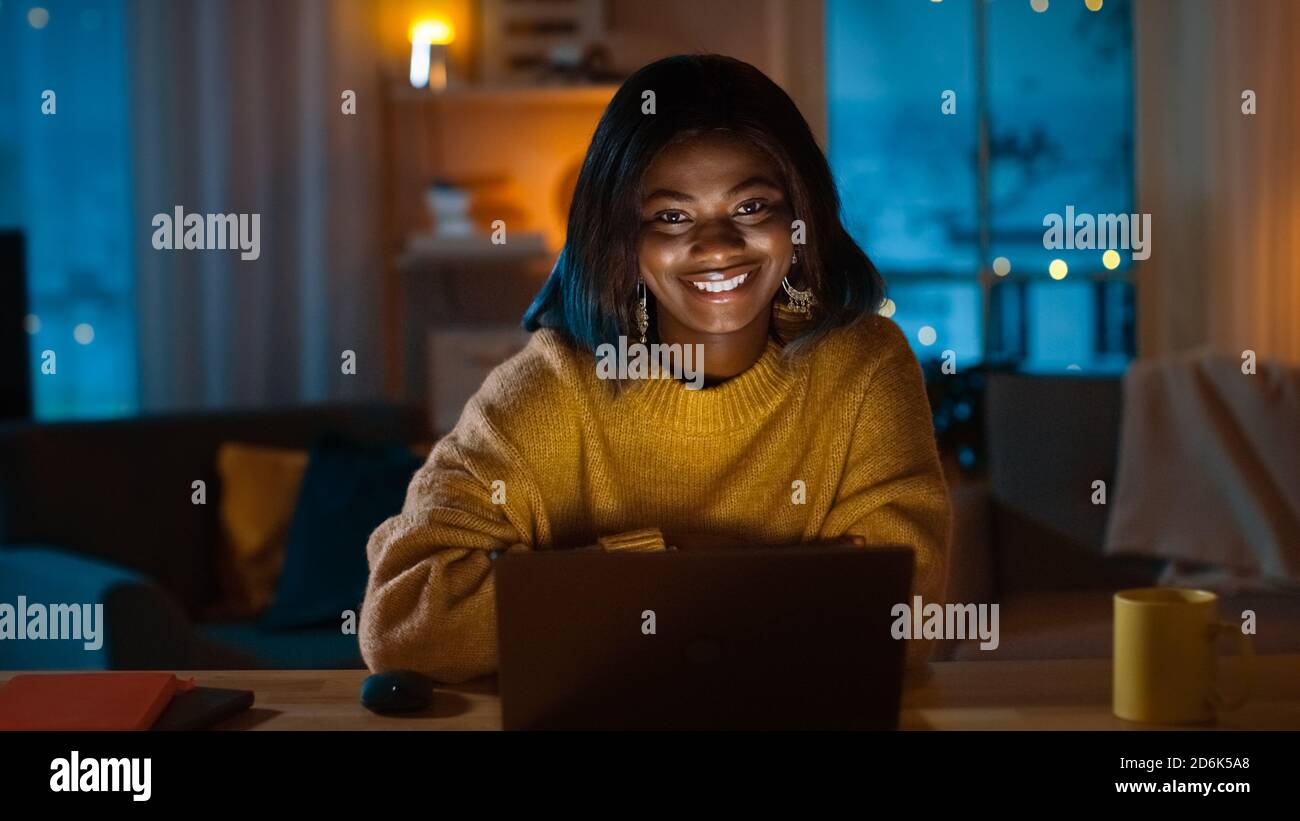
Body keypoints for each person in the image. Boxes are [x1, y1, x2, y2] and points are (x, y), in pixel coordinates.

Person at [360, 54, 952, 683]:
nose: (718, 245)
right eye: (671, 216)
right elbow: (403, 623)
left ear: (800, 219)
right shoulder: (547, 390)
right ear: (621, 237)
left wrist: (589, 592)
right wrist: (678, 558)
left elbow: (903, 617)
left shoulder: (864, 366)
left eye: (753, 207)